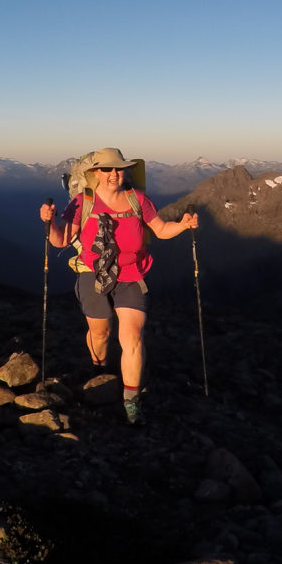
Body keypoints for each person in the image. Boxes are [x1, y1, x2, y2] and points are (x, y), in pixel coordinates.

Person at [39, 147, 198, 425]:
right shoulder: (82, 201)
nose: (114, 174)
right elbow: (61, 240)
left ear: (126, 171)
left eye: (118, 168)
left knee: (132, 336)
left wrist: (183, 226)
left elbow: (160, 230)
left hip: (131, 274)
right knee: (100, 334)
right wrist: (49, 222)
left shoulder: (138, 199)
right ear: (95, 173)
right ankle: (98, 367)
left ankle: (131, 402)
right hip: (93, 272)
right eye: (107, 169)